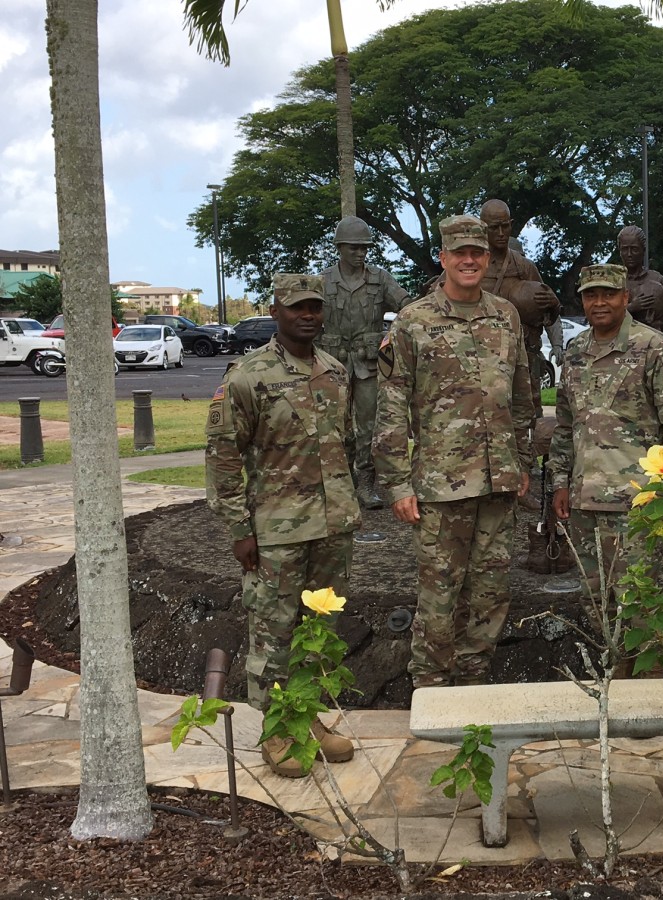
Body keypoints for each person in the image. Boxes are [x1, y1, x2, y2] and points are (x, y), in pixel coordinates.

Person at [206, 273, 359, 777]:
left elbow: (347, 445)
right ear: (275, 312)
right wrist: (238, 529)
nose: (308, 315)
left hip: (333, 524)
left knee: (320, 631)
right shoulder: (248, 376)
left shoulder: (335, 371)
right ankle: (278, 731)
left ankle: (309, 719)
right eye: (297, 308)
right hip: (275, 529)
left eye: (315, 306)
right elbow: (224, 457)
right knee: (273, 632)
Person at [374, 215, 536, 688]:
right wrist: (398, 482)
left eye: (477, 253)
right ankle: (430, 686)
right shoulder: (414, 320)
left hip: (499, 482)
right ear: (443, 258)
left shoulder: (505, 315)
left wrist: (521, 461)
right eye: (459, 253)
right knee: (440, 595)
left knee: (490, 594)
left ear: (488, 259)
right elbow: (391, 406)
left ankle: (472, 685)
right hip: (440, 486)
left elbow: (523, 394)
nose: (469, 260)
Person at [547, 264, 663, 623]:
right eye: (590, 295)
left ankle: (649, 672)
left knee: (641, 596)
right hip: (585, 501)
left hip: (637, 501)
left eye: (608, 294)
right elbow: (566, 424)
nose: (599, 302)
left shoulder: (652, 347)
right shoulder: (575, 351)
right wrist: (559, 482)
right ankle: (611, 670)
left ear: (625, 298)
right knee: (594, 596)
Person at [318, 215, 410, 509]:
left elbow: (407, 307)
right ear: (340, 248)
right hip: (332, 365)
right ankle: (342, 483)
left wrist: (392, 336)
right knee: (334, 426)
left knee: (369, 426)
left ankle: (367, 482)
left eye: (364, 248)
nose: (360, 253)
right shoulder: (323, 281)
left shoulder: (379, 278)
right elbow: (305, 316)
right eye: (354, 248)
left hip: (369, 365)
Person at [479, 198, 563, 410]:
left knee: (527, 413)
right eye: (494, 228)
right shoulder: (472, 264)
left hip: (523, 358)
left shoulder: (524, 267)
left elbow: (548, 311)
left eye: (505, 226)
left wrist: (553, 304)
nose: (501, 233)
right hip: (481, 358)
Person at [617, 225, 663, 336]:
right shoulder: (612, 282)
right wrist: (631, 308)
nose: (629, 254)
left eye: (635, 249)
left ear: (643, 250)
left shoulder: (660, 281)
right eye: (625, 249)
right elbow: (601, 321)